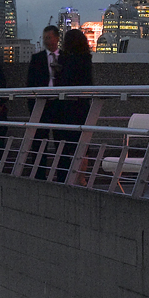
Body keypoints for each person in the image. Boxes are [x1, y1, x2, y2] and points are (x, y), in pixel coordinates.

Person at [42, 20, 94, 182]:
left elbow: (62, 82)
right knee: (81, 147)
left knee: (62, 147)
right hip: (82, 108)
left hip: (63, 109)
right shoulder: (86, 60)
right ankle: (81, 178)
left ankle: (64, 177)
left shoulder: (65, 60)